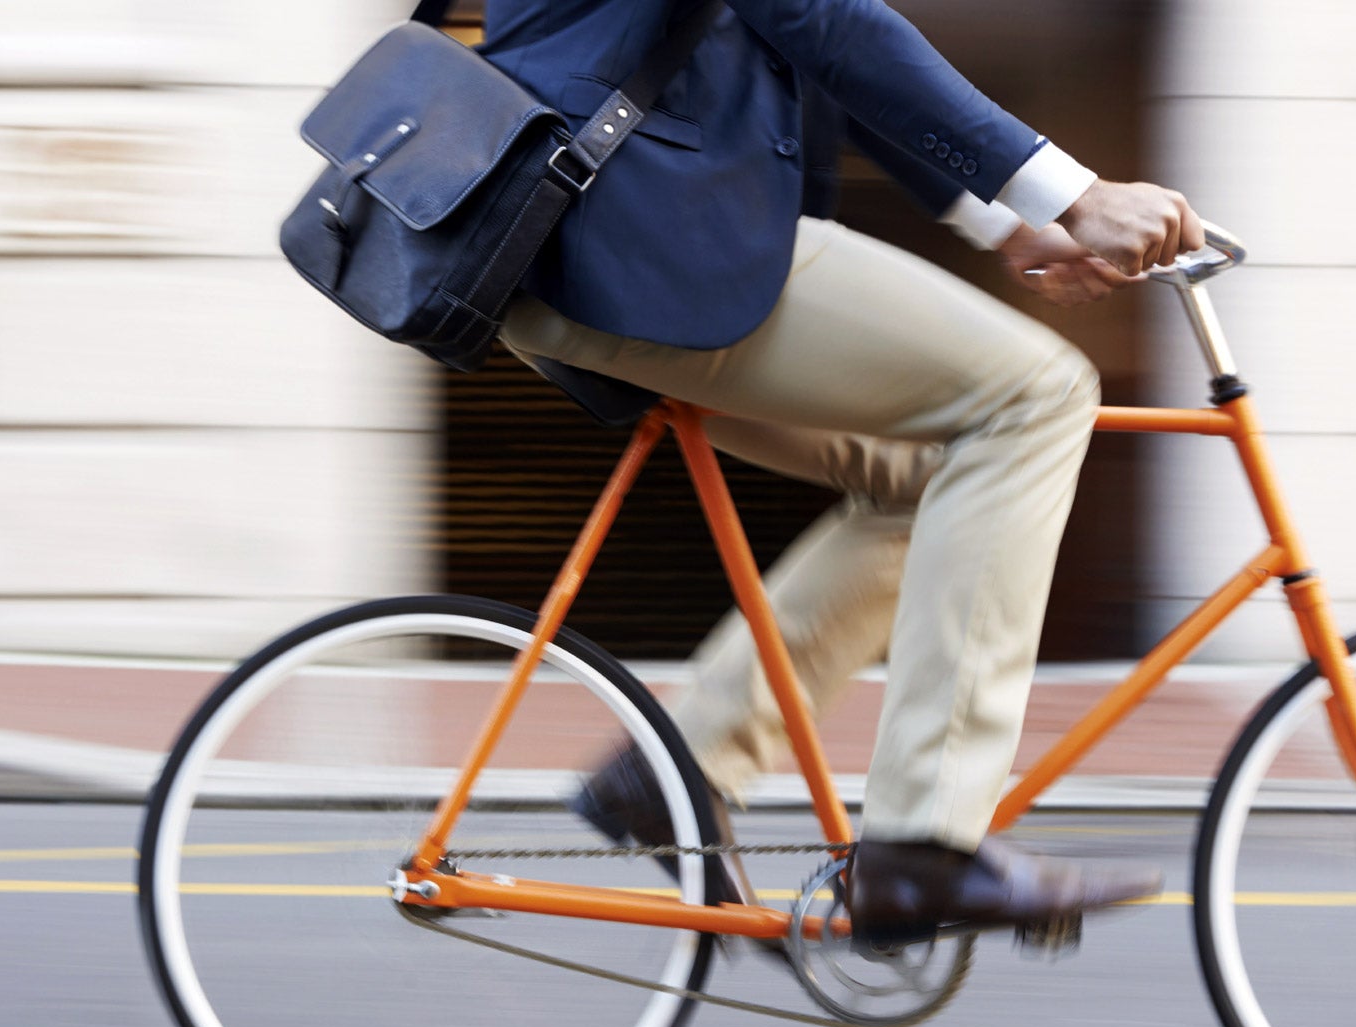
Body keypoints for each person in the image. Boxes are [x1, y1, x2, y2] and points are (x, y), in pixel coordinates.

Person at [476, 0, 1196, 950]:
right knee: (1039, 393)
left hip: (593, 233)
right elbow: (820, 17)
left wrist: (1006, 224)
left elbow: (793, 40)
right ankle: (925, 844)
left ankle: (677, 772)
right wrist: (1068, 193)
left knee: (933, 478)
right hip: (648, 231)